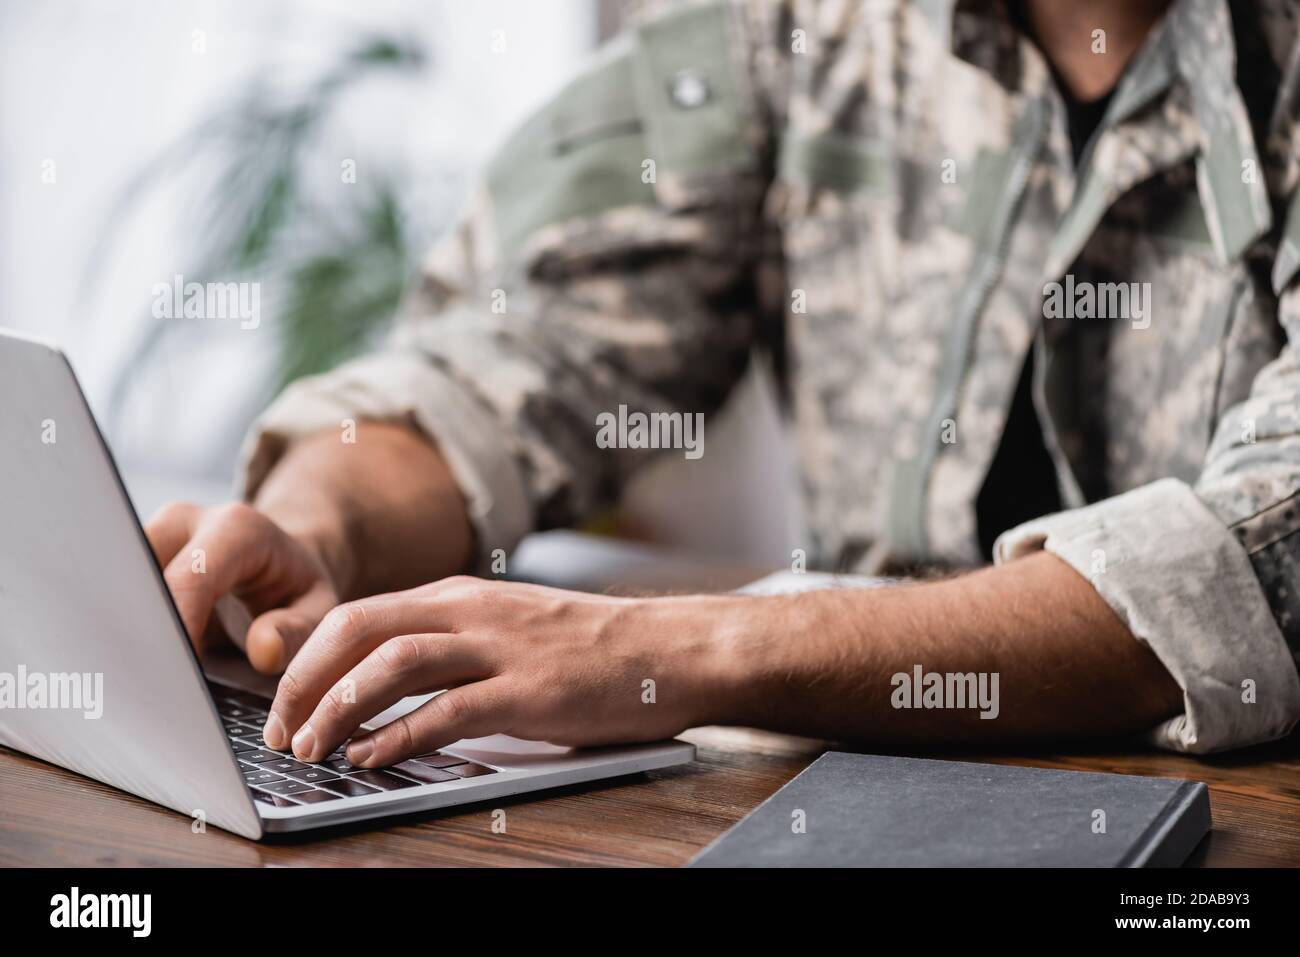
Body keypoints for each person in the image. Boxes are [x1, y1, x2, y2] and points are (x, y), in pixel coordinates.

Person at [147, 0, 1300, 770]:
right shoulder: (793, 26)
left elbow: (1267, 550)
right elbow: (532, 353)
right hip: (834, 796)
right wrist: (316, 528)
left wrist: (677, 653)